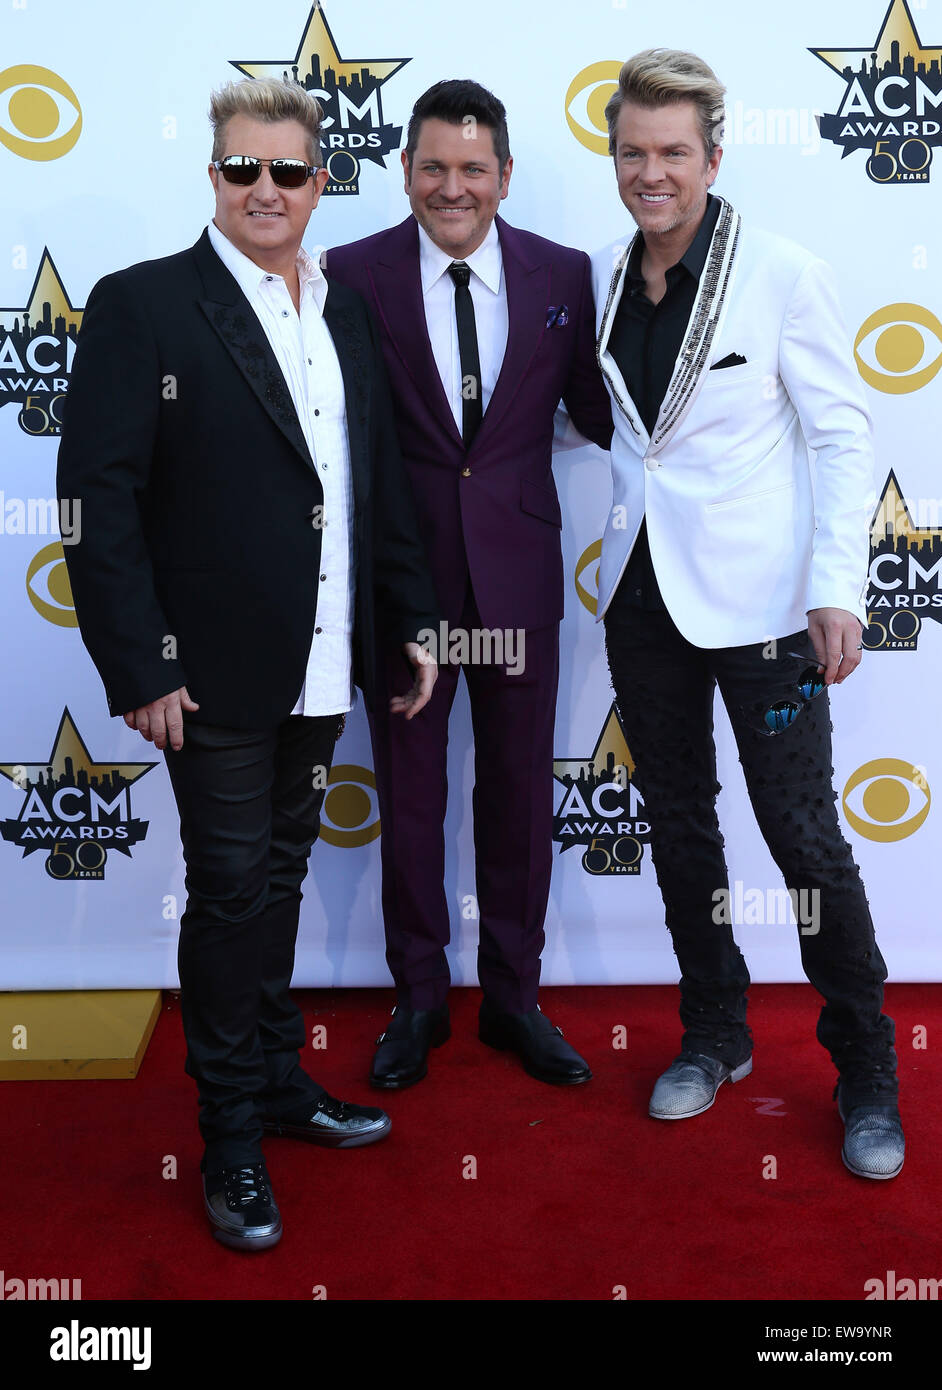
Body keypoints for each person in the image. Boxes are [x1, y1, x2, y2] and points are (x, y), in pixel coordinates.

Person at [56, 78, 440, 1251]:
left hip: (323, 663)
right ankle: (227, 1136)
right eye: (241, 169)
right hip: (207, 672)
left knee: (274, 883)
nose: (264, 190)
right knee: (229, 897)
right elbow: (95, 500)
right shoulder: (145, 306)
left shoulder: (349, 312)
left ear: (322, 181)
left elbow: (371, 482)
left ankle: (275, 1081)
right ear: (212, 176)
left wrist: (407, 621)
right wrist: (140, 664)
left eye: (287, 171)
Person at [592, 49, 903, 1179]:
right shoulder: (600, 279)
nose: (652, 171)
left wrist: (837, 584)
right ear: (616, 158)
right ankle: (715, 1033)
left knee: (805, 841)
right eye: (634, 151)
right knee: (680, 826)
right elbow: (617, 429)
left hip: (770, 607)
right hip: (643, 599)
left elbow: (841, 431)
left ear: (714, 156)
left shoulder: (779, 270)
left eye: (674, 150)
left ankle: (866, 1066)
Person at [326, 80, 613, 1089]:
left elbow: (596, 412)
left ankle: (514, 998)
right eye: (435, 167)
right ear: (405, 170)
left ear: (503, 176)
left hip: (521, 580)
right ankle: (416, 999)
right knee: (409, 795)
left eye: (473, 169)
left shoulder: (565, 275)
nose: (454, 188)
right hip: (405, 589)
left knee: (520, 791)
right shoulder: (347, 274)